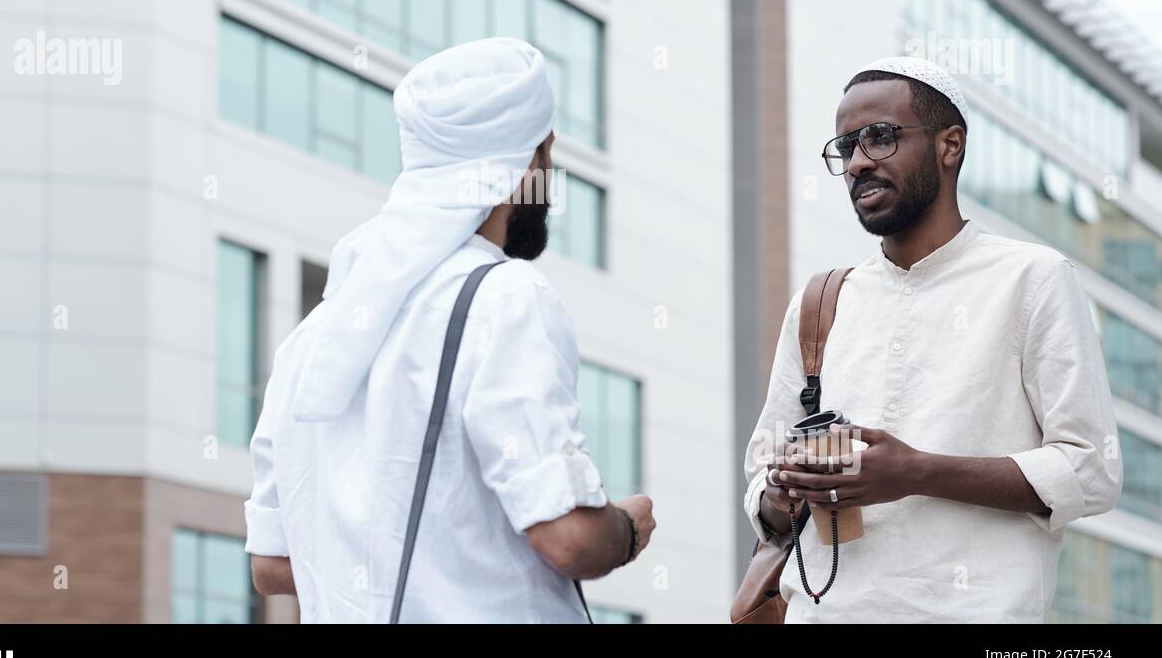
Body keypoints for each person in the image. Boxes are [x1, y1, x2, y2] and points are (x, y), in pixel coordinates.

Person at [244, 37, 655, 622]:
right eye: (548, 156)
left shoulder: (314, 338)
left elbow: (272, 564)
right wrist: (625, 527)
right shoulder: (506, 297)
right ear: (528, 162)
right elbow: (570, 539)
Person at [743, 56, 1122, 622]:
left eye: (881, 138)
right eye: (846, 147)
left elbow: (1091, 470)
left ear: (951, 145)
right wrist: (784, 491)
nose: (858, 163)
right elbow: (762, 480)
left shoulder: (1033, 278)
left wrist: (914, 471)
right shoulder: (823, 301)